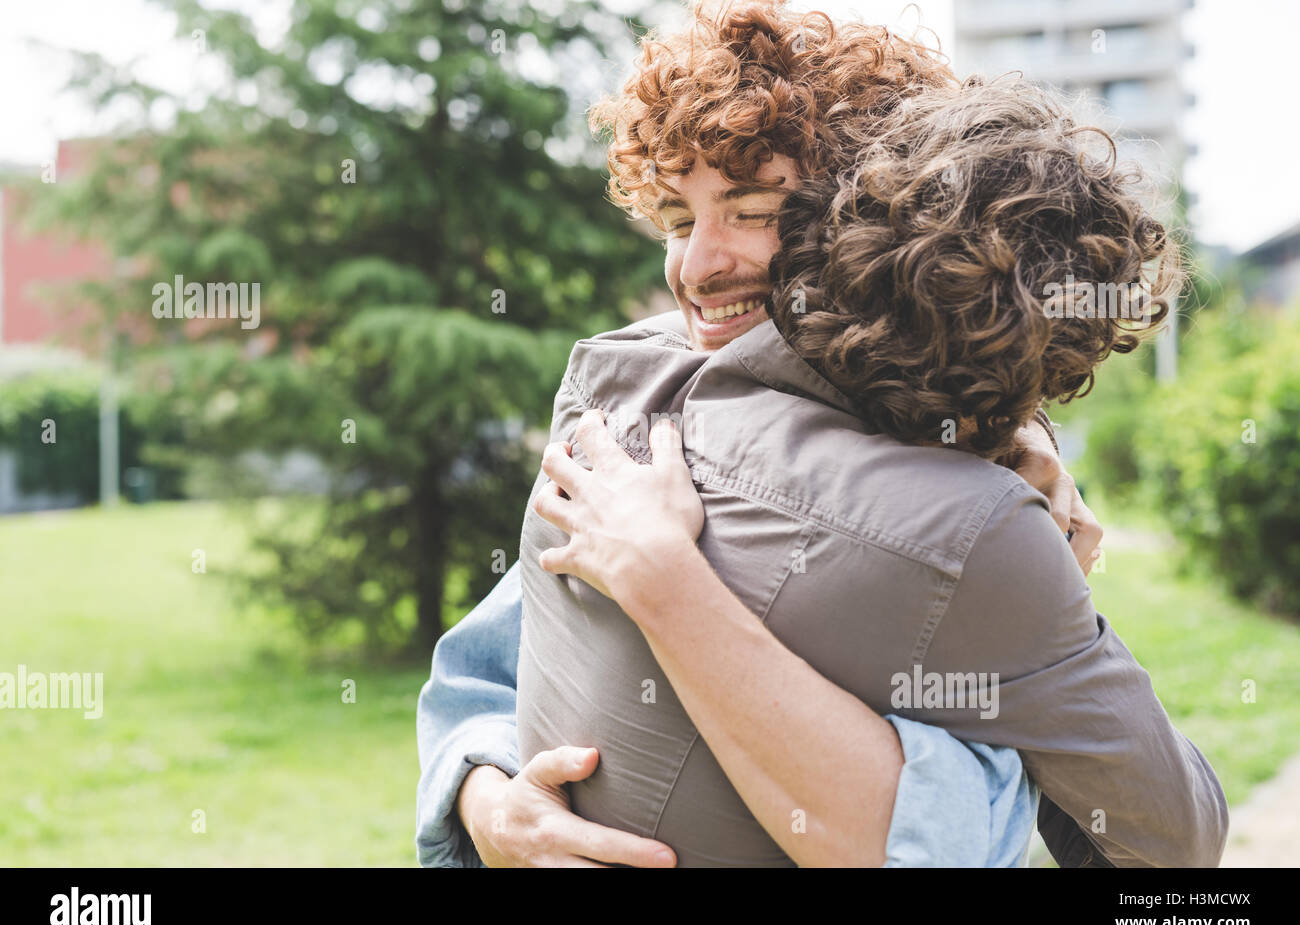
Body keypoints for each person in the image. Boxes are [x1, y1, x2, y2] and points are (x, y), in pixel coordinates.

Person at [416, 0, 1149, 868]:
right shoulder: (641, 429)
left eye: (752, 209)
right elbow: (485, 666)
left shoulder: (969, 500)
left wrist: (1011, 457)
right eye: (679, 221)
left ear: (874, 218)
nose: (695, 268)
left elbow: (1087, 835)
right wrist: (492, 805)